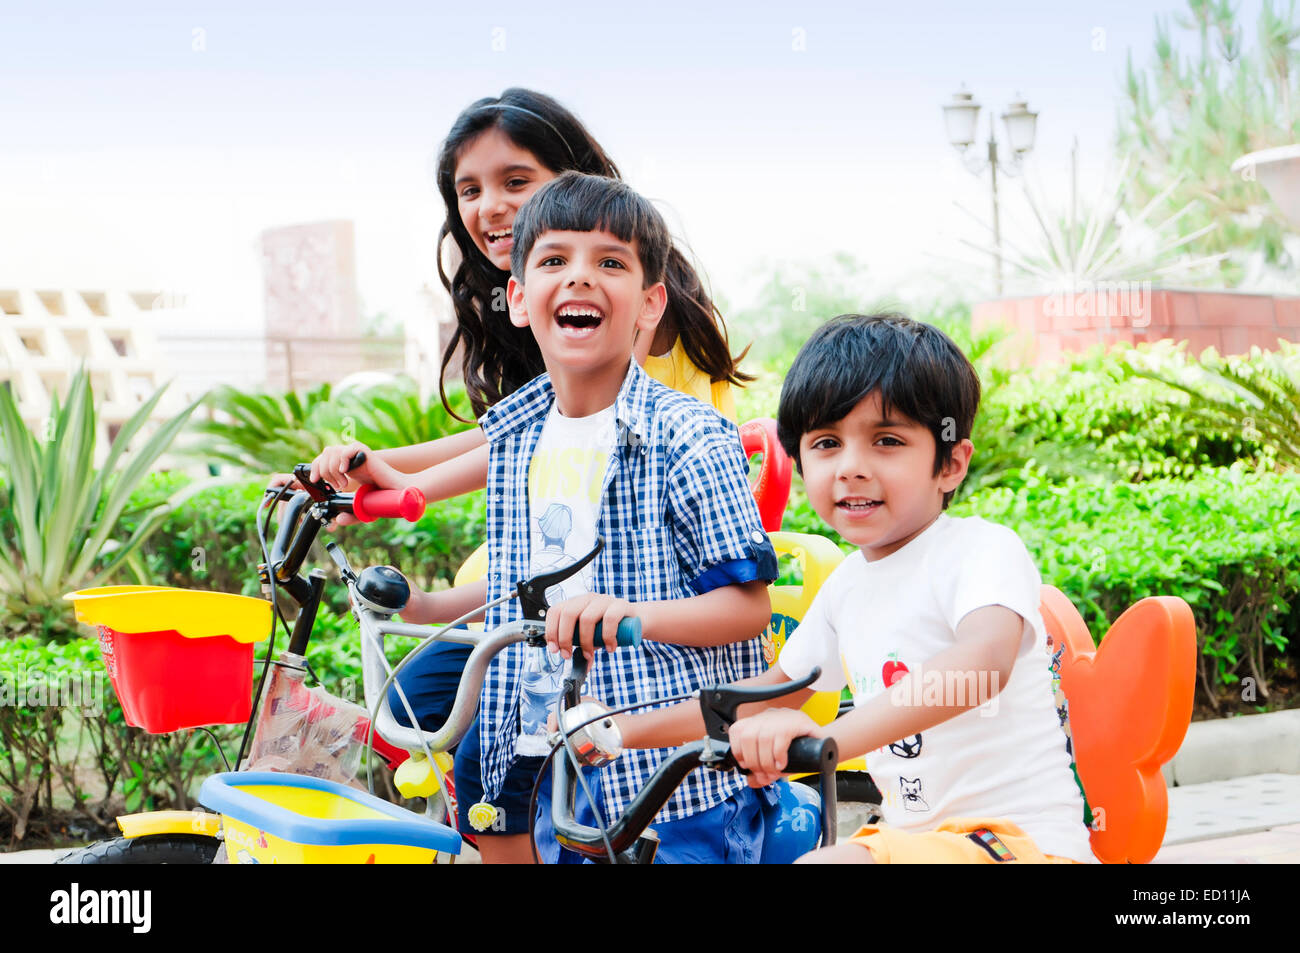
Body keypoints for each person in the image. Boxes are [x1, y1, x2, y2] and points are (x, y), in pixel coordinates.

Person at [353, 172, 778, 863]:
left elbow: (746, 608)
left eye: (610, 262)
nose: (580, 278)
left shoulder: (688, 435)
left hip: (667, 783)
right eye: (554, 260)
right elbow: (523, 585)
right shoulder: (517, 436)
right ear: (518, 298)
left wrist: (627, 613)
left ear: (649, 303)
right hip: (545, 756)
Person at [614, 313, 1095, 865]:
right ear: (799, 464)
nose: (851, 468)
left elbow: (982, 666)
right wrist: (617, 732)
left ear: (951, 463)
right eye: (826, 443)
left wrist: (831, 737)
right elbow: (759, 698)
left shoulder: (979, 550)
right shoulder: (847, 586)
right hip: (911, 840)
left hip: (1018, 844)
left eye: (886, 440)